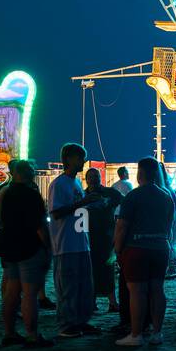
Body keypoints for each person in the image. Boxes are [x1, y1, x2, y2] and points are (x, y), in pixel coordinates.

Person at [114, 158, 175, 347]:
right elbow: (170, 226)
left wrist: (117, 249)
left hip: (137, 247)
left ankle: (136, 334)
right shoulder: (166, 196)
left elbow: (122, 226)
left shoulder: (134, 196)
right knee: (157, 289)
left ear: (140, 173)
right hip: (161, 246)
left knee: (137, 292)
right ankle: (157, 333)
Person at [48, 143, 103, 338]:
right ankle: (66, 324)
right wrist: (83, 203)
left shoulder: (76, 183)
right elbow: (56, 212)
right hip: (65, 244)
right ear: (69, 159)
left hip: (80, 242)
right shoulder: (59, 184)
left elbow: (76, 211)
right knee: (68, 286)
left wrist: (89, 207)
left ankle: (81, 320)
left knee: (83, 286)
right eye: (81, 158)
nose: (83, 162)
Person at [0, 159, 53, 348]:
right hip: (29, 247)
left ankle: (9, 332)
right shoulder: (31, 195)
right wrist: (48, 247)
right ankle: (32, 334)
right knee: (30, 293)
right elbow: (39, 225)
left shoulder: (6, 193)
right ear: (25, 173)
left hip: (9, 245)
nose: (34, 171)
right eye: (31, 169)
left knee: (11, 292)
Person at [83, 166, 121, 313]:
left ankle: (112, 302)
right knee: (90, 271)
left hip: (106, 238)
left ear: (100, 178)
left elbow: (124, 201)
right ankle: (91, 303)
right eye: (90, 176)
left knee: (108, 271)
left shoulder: (110, 193)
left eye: (96, 176)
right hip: (88, 239)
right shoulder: (82, 195)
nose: (93, 179)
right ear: (86, 179)